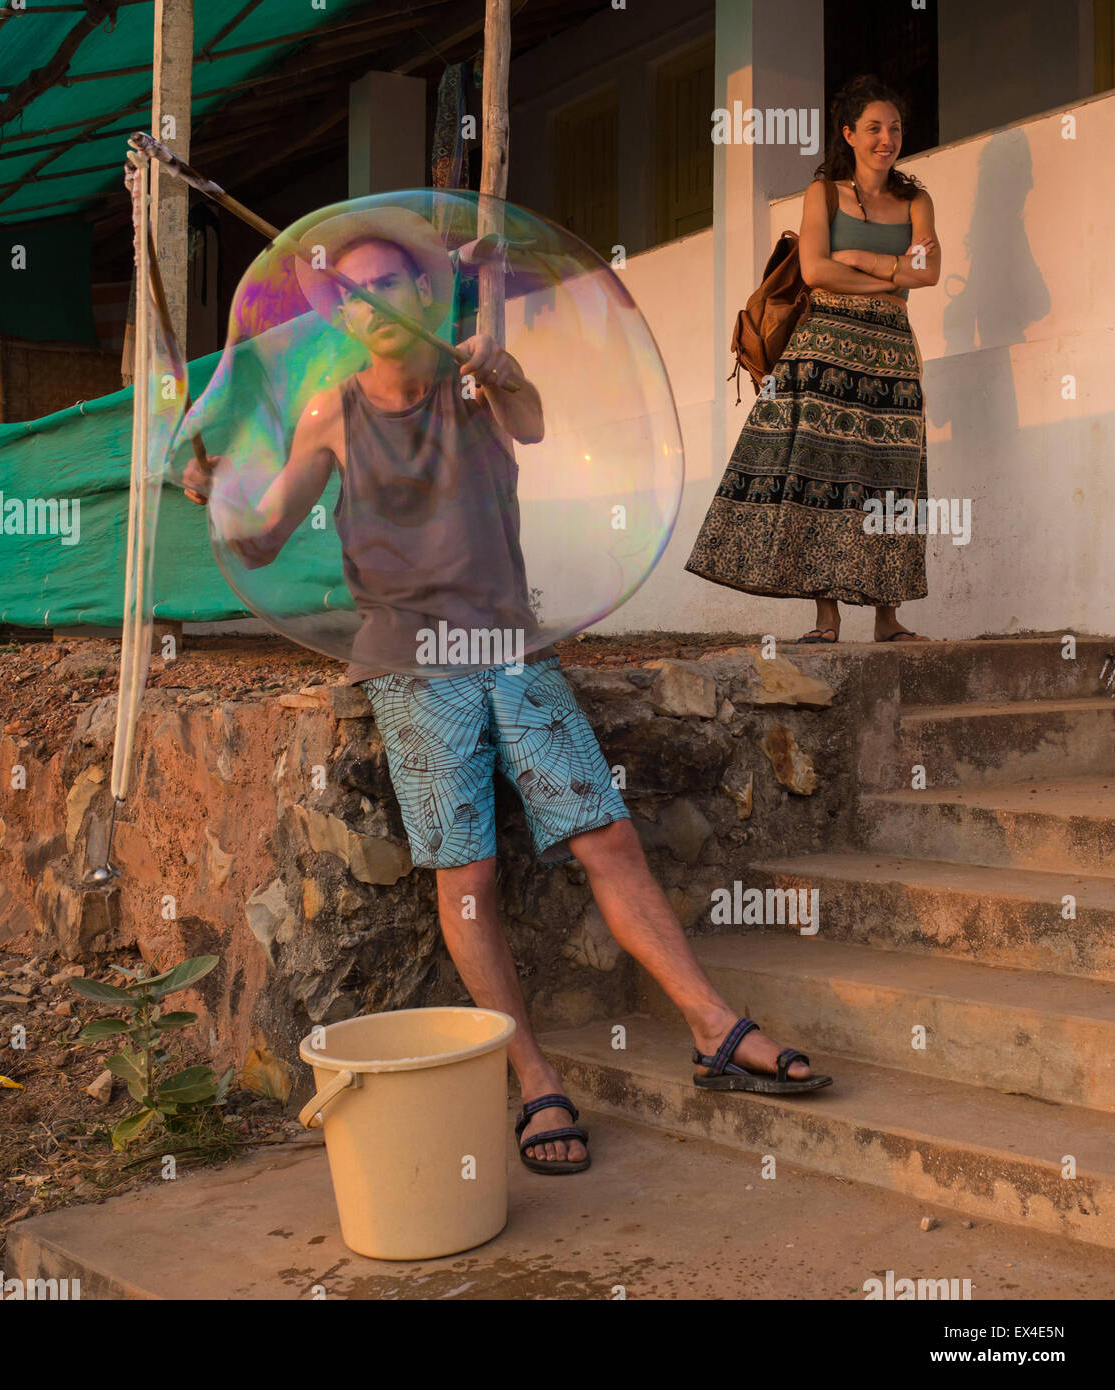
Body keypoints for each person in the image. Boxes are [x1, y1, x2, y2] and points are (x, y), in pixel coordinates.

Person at [183, 206, 831, 1176]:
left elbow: (528, 421)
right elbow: (267, 534)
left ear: (422, 292)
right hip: (409, 665)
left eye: (393, 284)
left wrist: (505, 372)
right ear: (346, 321)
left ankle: (712, 1026)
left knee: (604, 834)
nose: (376, 304)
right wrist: (220, 492)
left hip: (511, 648)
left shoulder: (474, 381)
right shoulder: (332, 413)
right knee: (469, 876)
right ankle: (533, 1078)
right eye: (354, 294)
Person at [686, 74, 939, 644]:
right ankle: (827, 620)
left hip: (891, 354)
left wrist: (859, 258)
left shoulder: (915, 201)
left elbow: (929, 271)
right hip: (822, 351)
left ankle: (888, 619)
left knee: (890, 482)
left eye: (894, 128)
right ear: (848, 133)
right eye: (873, 128)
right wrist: (891, 272)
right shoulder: (822, 193)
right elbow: (815, 271)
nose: (886, 138)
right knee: (814, 477)